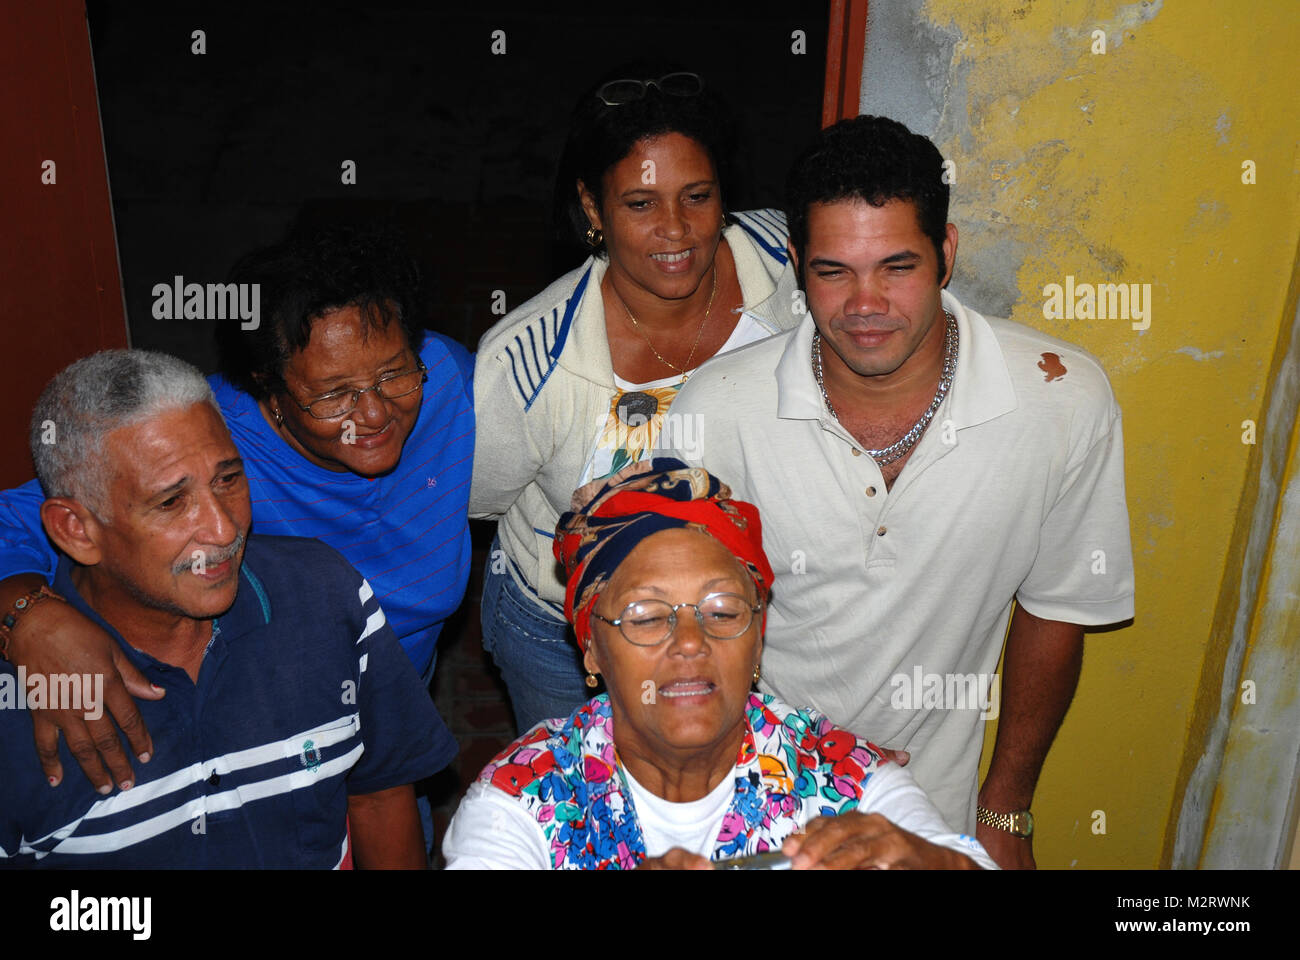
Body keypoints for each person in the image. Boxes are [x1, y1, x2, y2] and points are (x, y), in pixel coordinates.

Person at [661, 115, 1136, 869]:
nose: (866, 304)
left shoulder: (1062, 401)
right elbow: (681, 626)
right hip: (744, 794)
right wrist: (807, 752)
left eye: (897, 266)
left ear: (945, 256)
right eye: (833, 271)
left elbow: (1059, 608)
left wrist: (1004, 812)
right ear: (795, 265)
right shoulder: (713, 413)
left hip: (930, 815)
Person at [0, 223, 472, 856]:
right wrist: (28, 615)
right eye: (332, 395)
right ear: (270, 393)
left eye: (391, 375)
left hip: (382, 715)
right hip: (263, 710)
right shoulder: (208, 436)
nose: (376, 412)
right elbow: (38, 516)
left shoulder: (444, 386)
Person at [444, 460, 993, 869]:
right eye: (645, 615)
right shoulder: (525, 798)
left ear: (757, 639)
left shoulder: (841, 778)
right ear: (591, 648)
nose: (689, 641)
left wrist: (942, 863)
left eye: (723, 610)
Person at [471, 68, 799, 734]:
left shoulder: (790, 261)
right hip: (564, 635)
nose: (675, 230)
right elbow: (484, 497)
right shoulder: (529, 360)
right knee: (588, 805)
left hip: (739, 603)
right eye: (640, 204)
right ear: (593, 209)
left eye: (697, 197)